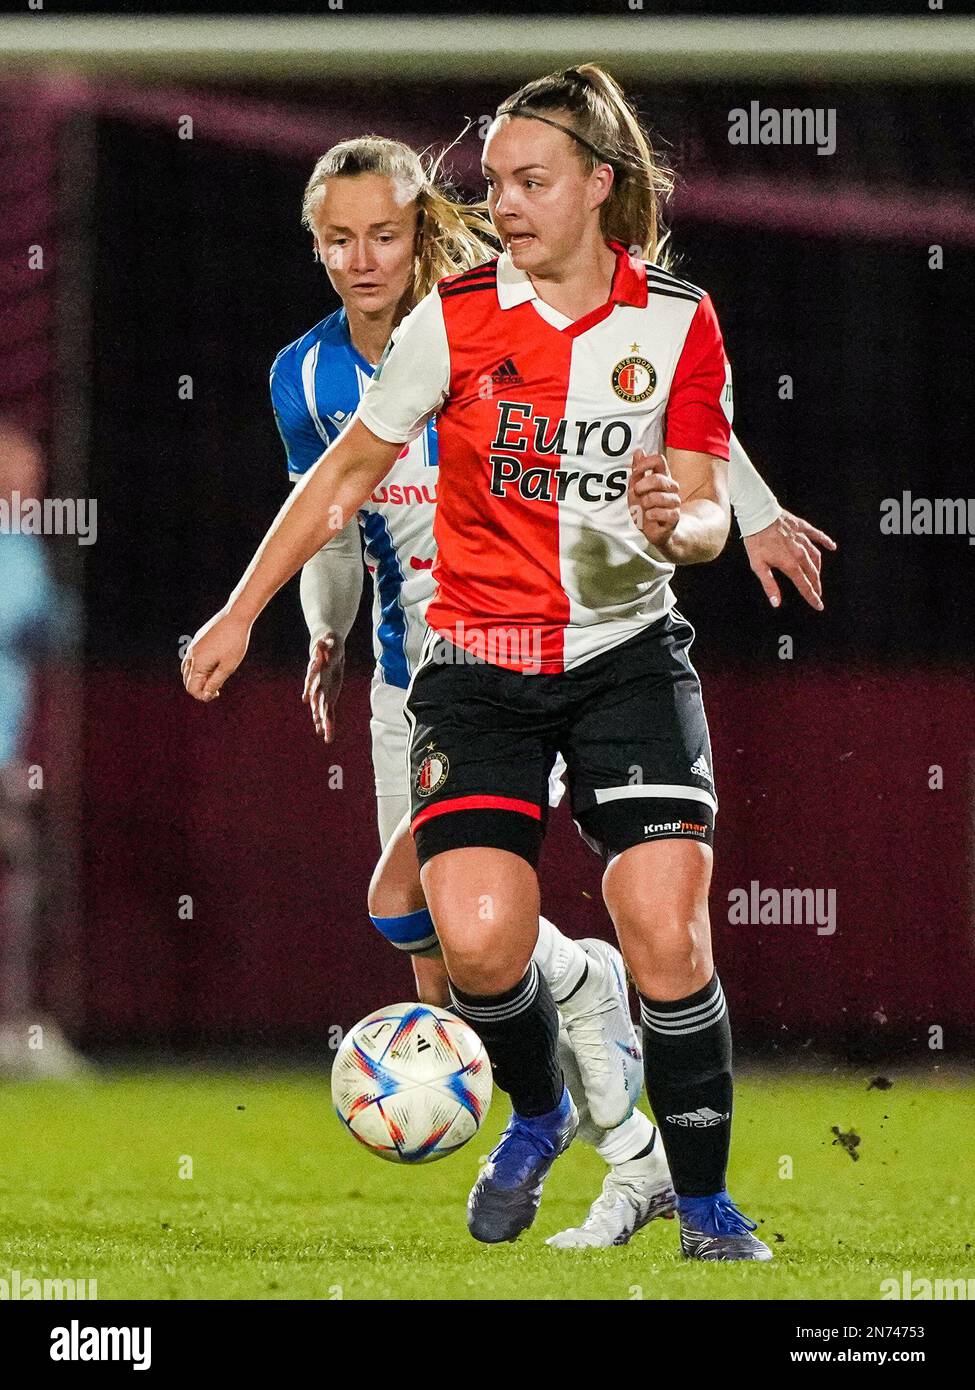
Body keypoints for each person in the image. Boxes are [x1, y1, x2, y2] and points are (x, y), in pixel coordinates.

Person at [184, 66, 832, 1259]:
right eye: (497, 185)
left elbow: (694, 507)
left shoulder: (678, 320)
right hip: (473, 668)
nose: (510, 205)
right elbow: (338, 480)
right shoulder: (453, 322)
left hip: (626, 659)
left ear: (600, 184)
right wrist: (242, 613)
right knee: (467, 940)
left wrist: (683, 525)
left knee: (667, 936)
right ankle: (539, 1115)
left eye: (532, 183)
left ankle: (705, 1207)